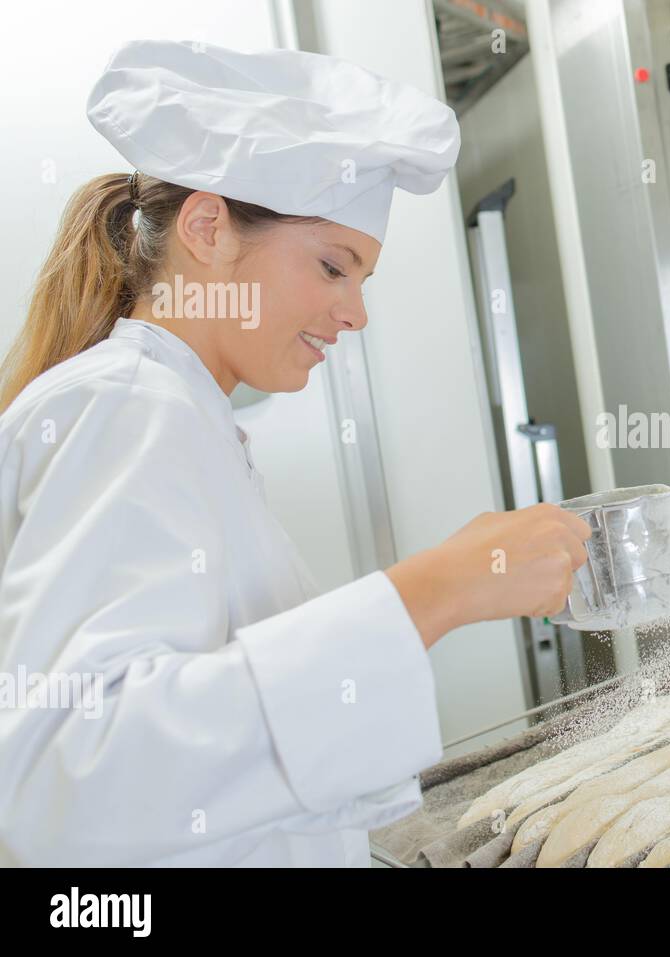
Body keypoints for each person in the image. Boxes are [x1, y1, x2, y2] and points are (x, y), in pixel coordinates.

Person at [0, 39, 590, 866]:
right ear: (208, 226)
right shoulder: (124, 406)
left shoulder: (186, 418)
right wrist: (442, 585)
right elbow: (63, 779)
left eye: (362, 281)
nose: (355, 314)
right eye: (332, 266)